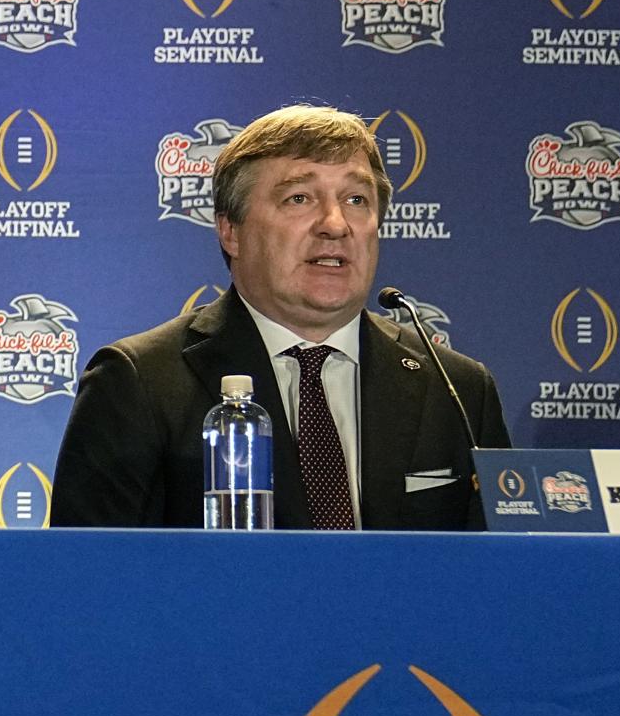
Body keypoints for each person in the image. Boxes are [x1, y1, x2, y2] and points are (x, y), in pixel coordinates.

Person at [51, 105, 508, 530]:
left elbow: (505, 582)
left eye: (355, 199)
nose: (335, 223)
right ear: (231, 231)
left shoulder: (458, 389)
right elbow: (86, 583)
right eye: (299, 198)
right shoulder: (139, 382)